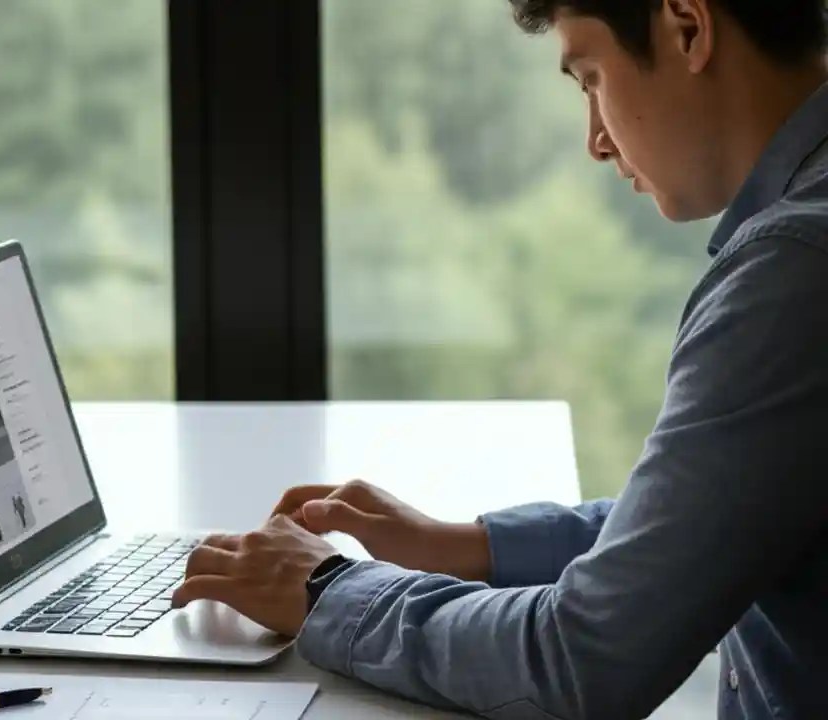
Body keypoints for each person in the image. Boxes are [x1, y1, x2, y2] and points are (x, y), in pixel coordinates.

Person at [170, 1, 828, 718]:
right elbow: (706, 524)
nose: (596, 141)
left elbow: (579, 660)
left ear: (688, 27)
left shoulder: (791, 276)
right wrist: (468, 547)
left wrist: (325, 589)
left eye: (589, 78)